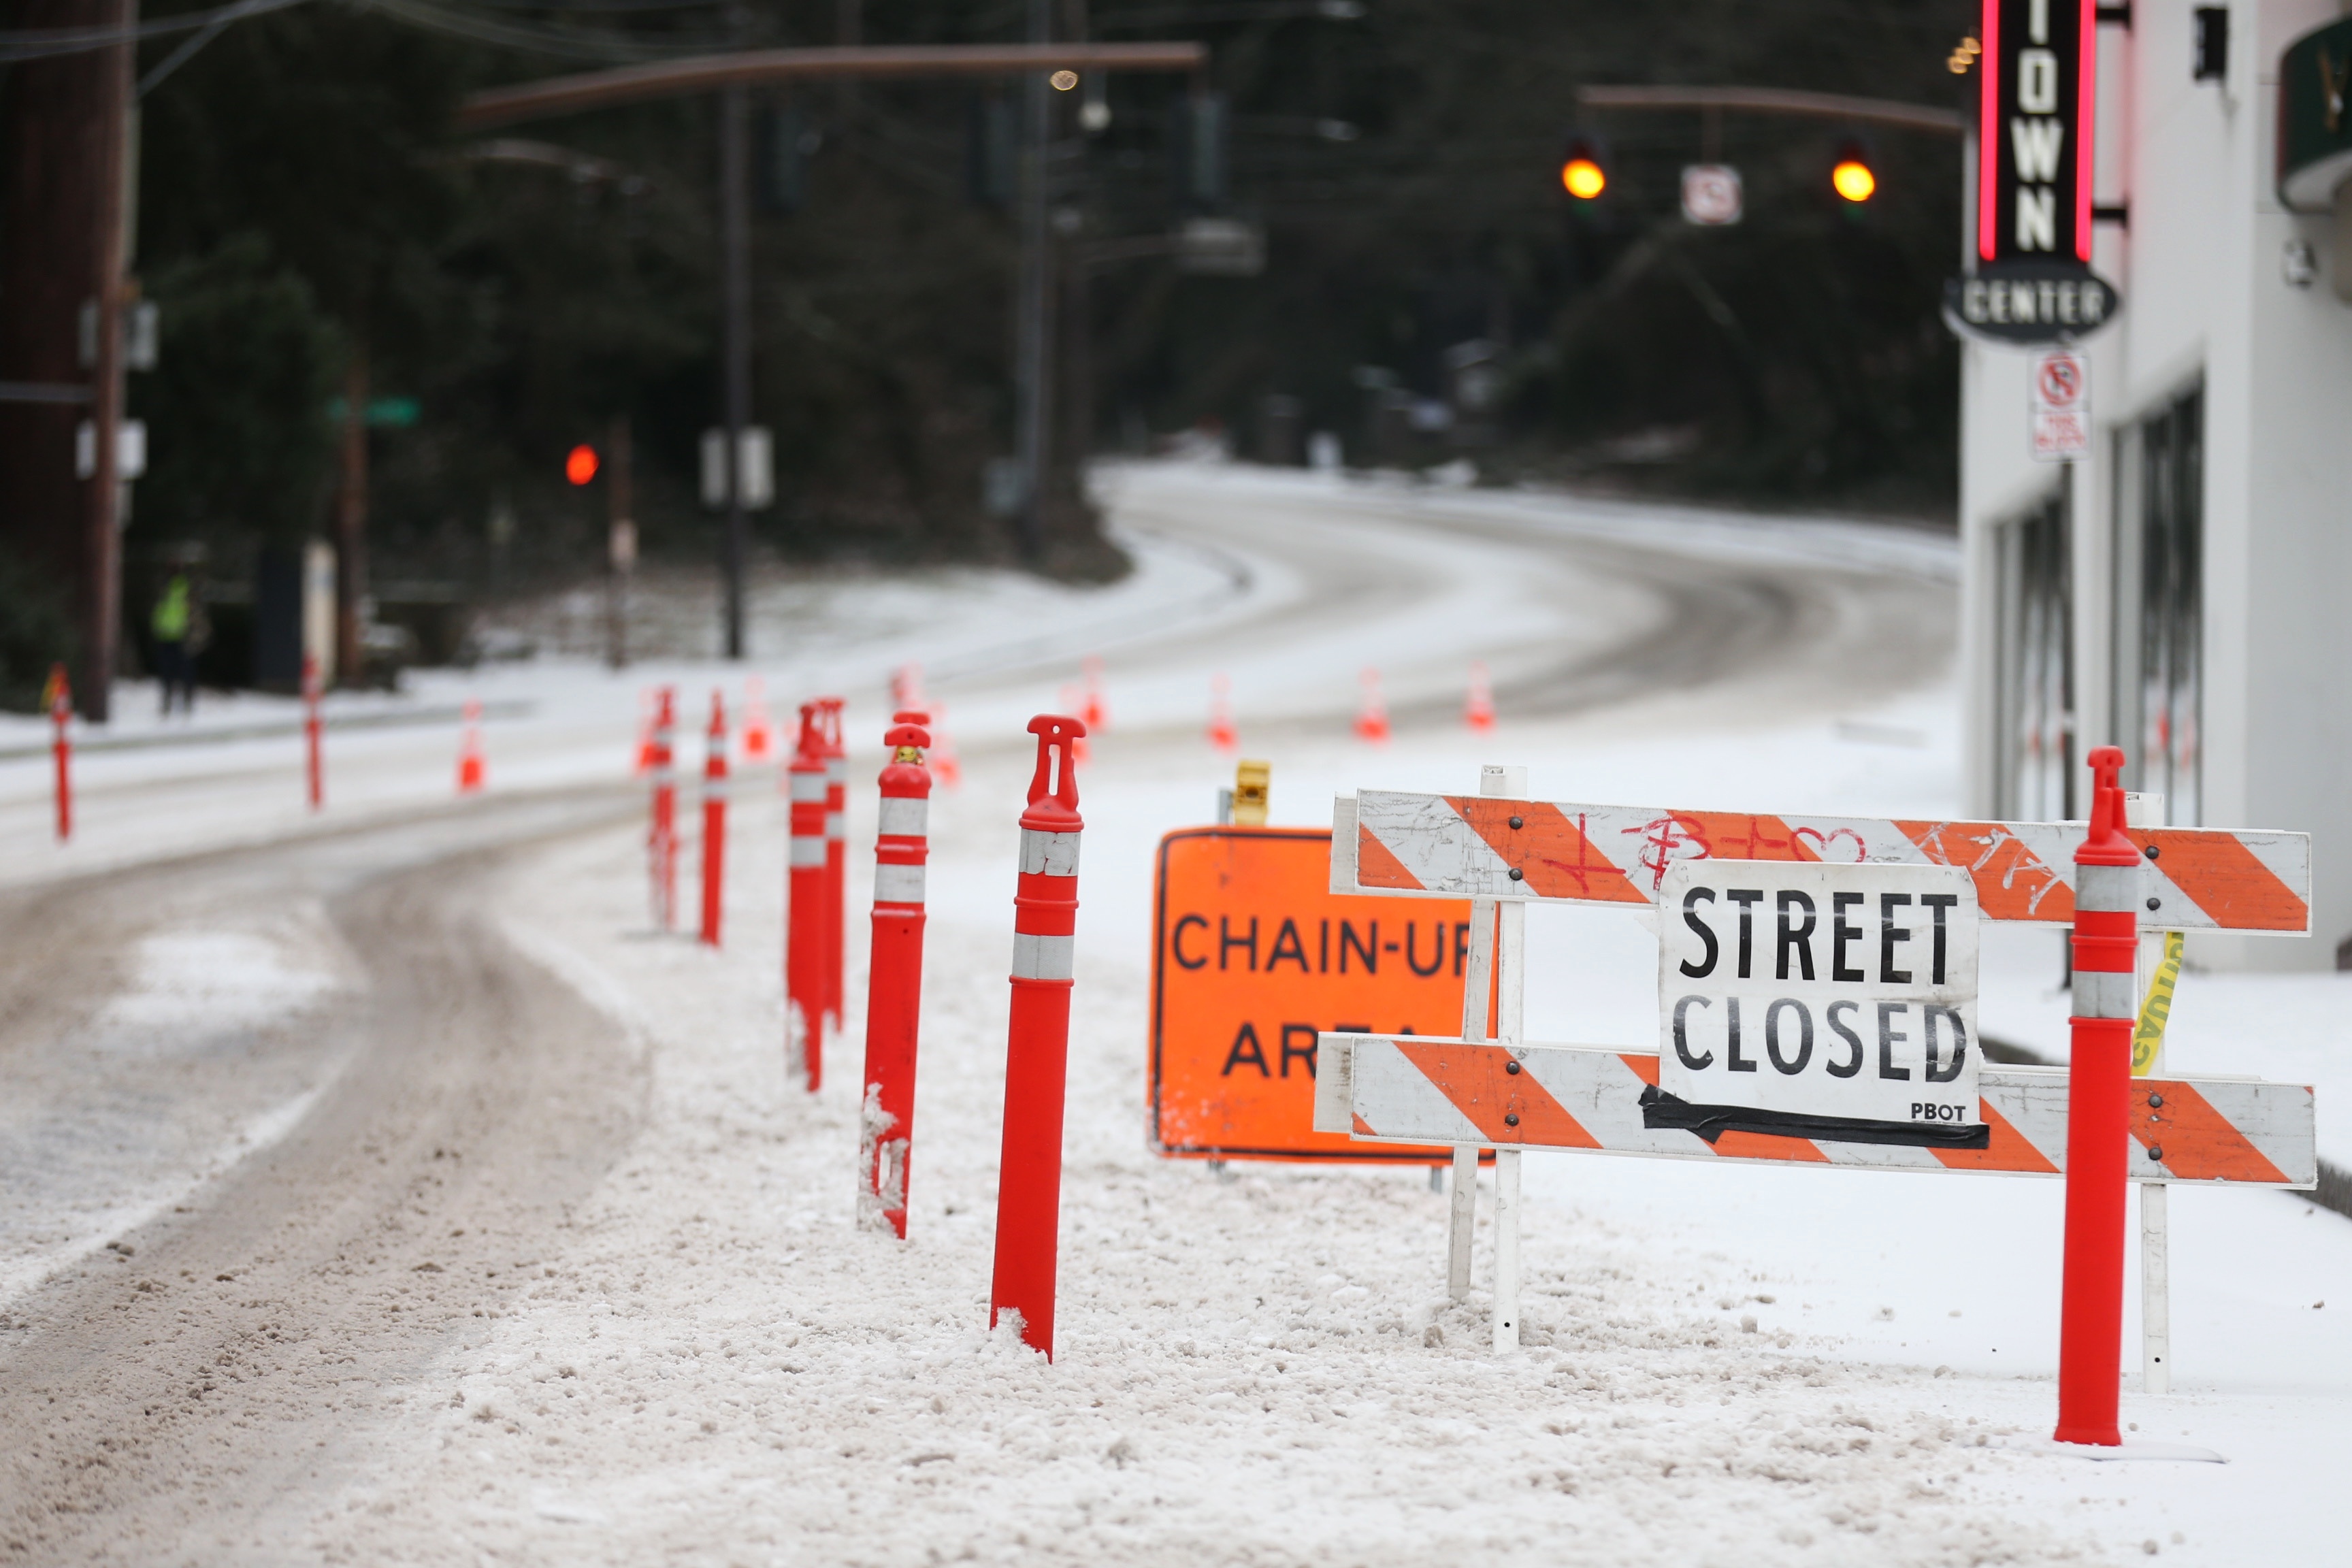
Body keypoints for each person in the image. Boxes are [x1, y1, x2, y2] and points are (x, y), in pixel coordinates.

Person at [152, 574, 197, 716]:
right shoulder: (165, 594)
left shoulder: (185, 593)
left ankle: (185, 700)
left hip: (181, 638)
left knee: (181, 671)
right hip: (167, 637)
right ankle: (171, 700)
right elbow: (159, 614)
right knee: (171, 671)